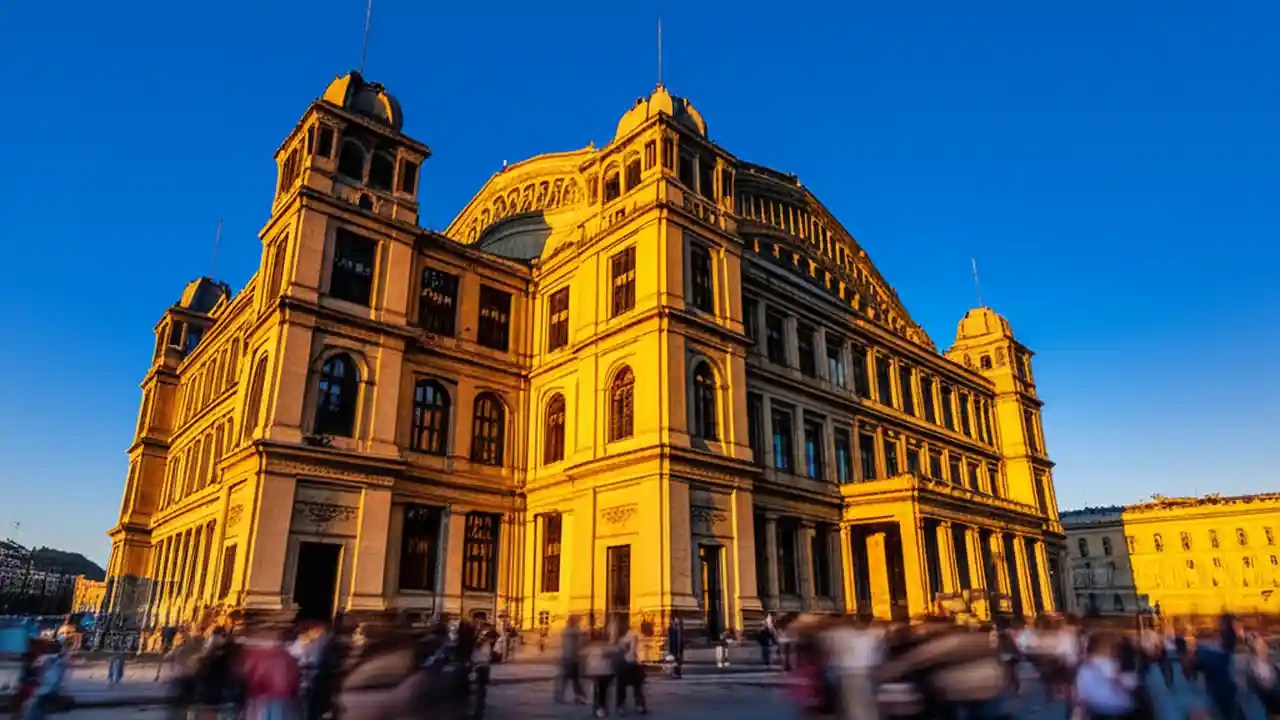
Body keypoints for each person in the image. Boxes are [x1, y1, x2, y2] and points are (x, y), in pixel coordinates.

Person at [238, 625, 301, 720]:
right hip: (281, 695)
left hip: (261, 694)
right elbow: (294, 677)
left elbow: (247, 672)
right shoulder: (287, 657)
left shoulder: (258, 655)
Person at [1075, 631, 1137, 720]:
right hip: (1121, 709)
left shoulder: (1084, 668)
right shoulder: (1115, 664)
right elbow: (1129, 686)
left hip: (1096, 710)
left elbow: (1080, 695)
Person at [614, 619, 646, 715]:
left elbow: (629, 650)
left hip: (629, 664)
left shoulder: (628, 638)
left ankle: (623, 706)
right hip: (629, 664)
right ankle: (637, 706)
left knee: (627, 687)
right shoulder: (629, 637)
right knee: (634, 688)